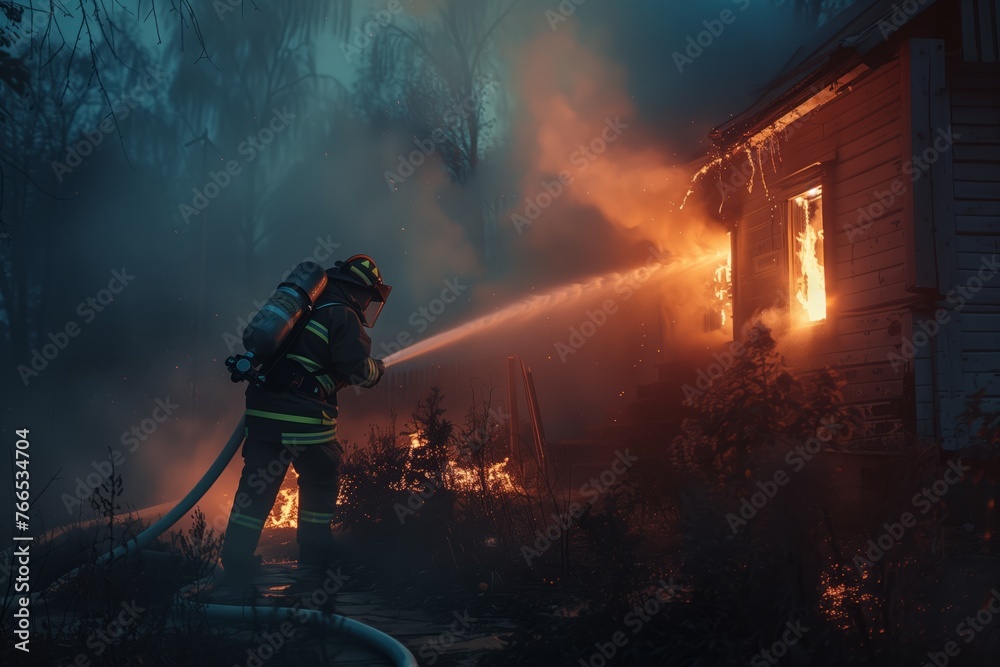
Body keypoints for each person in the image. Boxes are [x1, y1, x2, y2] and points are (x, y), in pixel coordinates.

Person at [215, 254, 391, 596]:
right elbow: (356, 369)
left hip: (263, 416)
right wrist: (377, 369)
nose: (369, 303)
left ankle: (235, 562)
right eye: (370, 295)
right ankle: (315, 562)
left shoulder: (302, 311)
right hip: (306, 420)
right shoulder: (343, 314)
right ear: (360, 290)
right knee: (319, 483)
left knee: (255, 492)